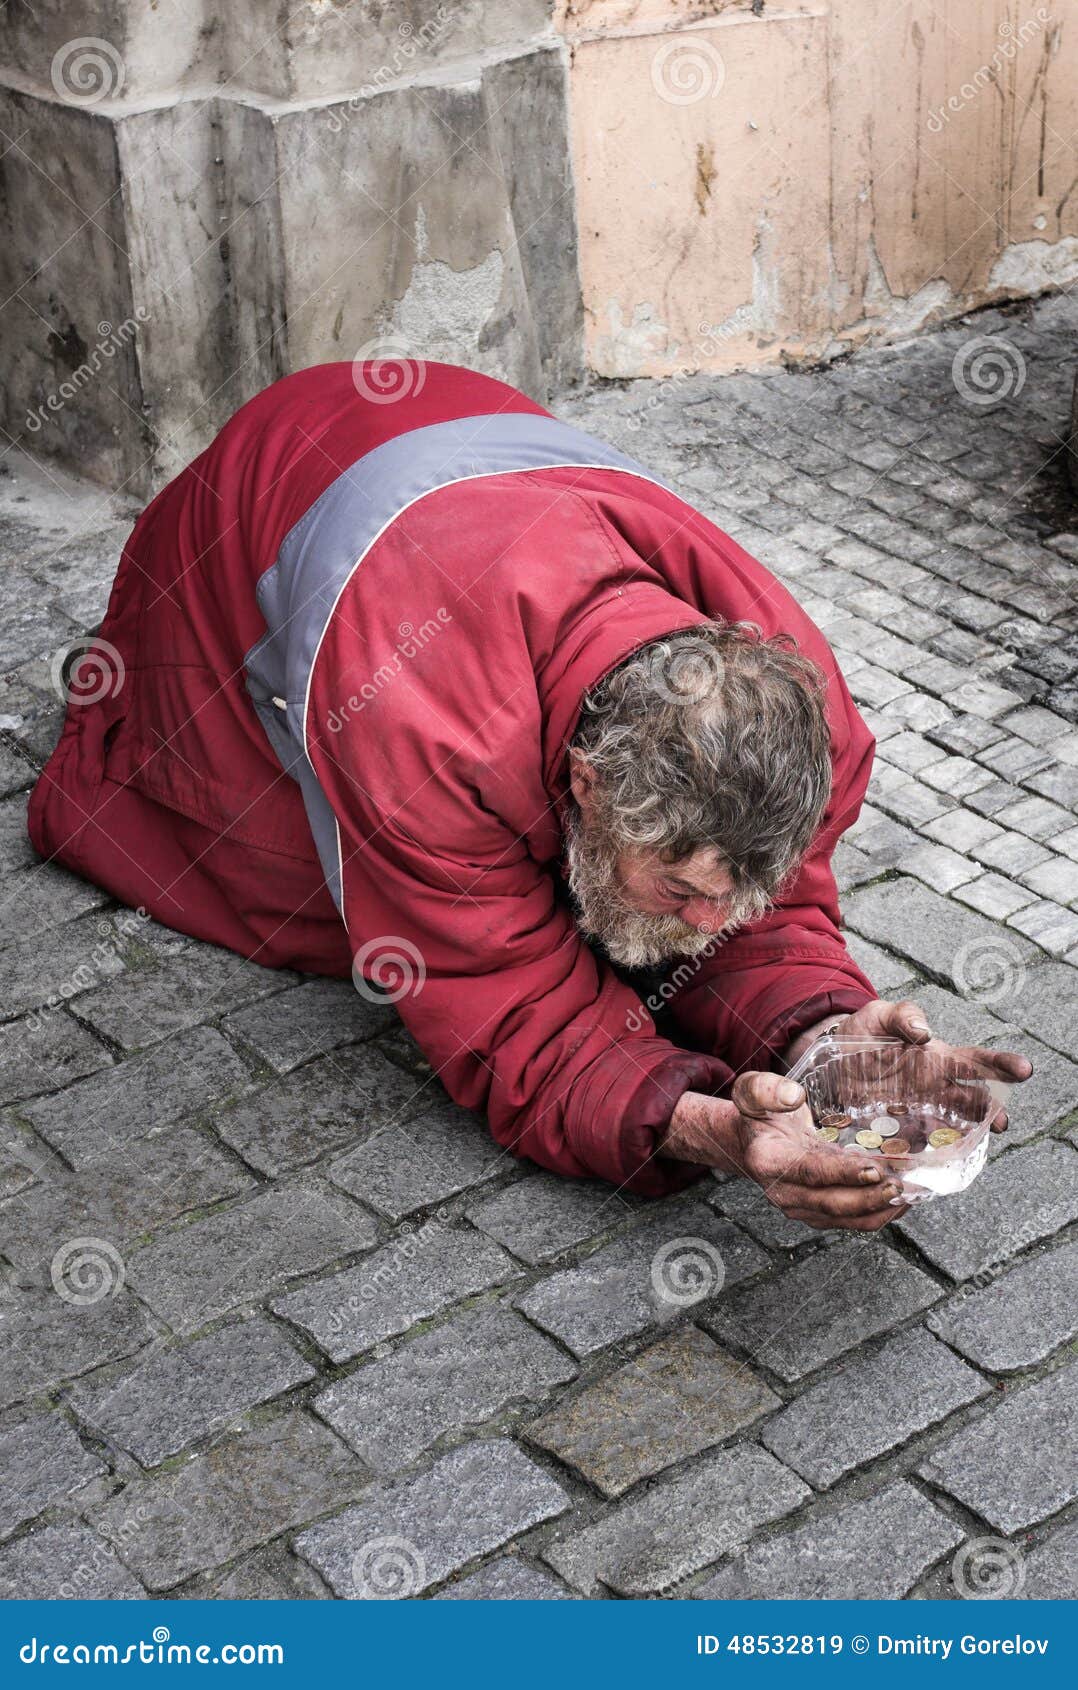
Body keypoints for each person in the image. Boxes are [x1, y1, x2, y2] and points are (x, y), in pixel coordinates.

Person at [29, 360, 1030, 1225]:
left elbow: (769, 908)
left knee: (659, 920)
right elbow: (505, 1012)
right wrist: (703, 1128)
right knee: (289, 870)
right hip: (264, 501)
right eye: (683, 890)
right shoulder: (425, 726)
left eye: (733, 893)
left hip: (463, 435)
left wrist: (832, 1040)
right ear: (584, 786)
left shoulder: (807, 709)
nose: (714, 923)